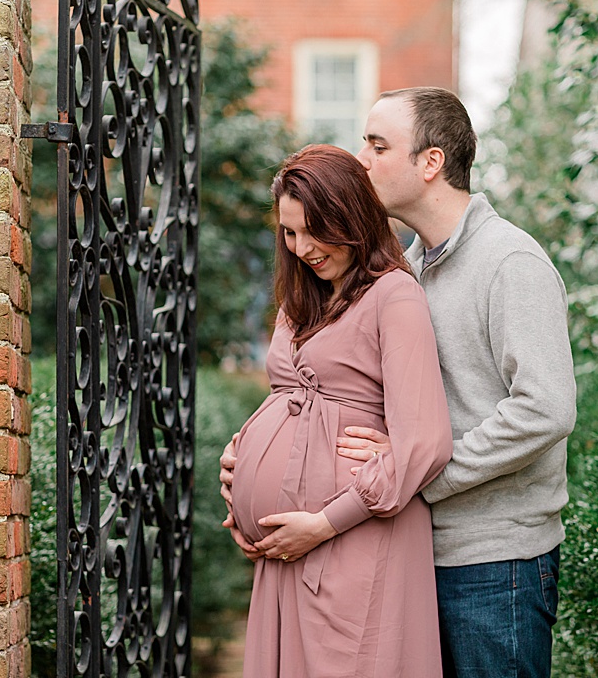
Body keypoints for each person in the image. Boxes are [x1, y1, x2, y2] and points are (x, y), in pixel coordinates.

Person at [227, 88, 576, 677]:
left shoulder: (508, 261)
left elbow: (546, 409)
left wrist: (414, 474)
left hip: (492, 561)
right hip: (404, 548)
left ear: (431, 161)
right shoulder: (403, 269)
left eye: (378, 145)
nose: (362, 159)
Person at [223, 144, 454, 678]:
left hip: (354, 538)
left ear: (351, 217)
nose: (302, 248)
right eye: (289, 232)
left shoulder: (395, 297)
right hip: (290, 550)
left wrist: (323, 523)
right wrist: (242, 458)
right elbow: (288, 403)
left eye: (314, 231)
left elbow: (425, 443)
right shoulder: (298, 302)